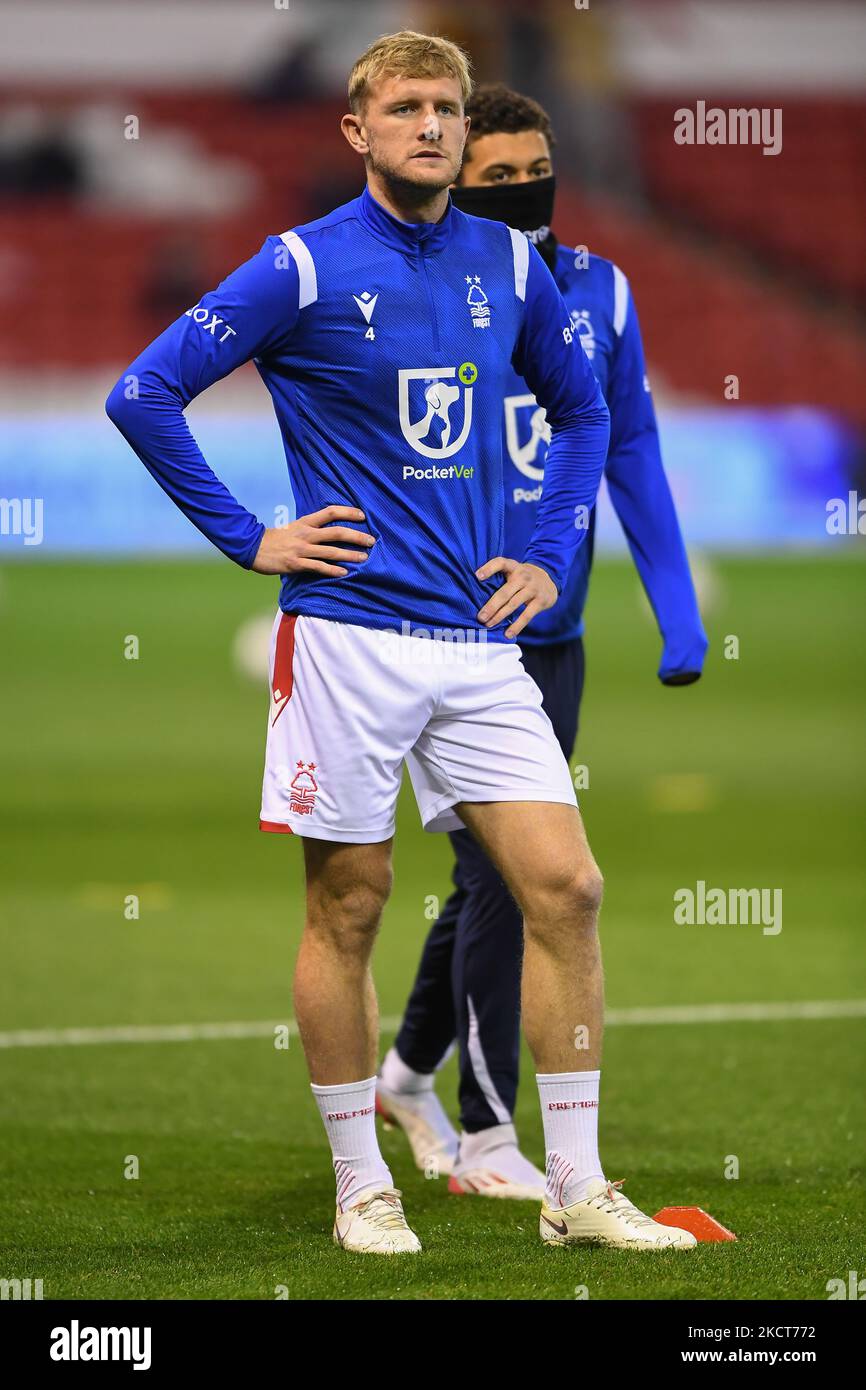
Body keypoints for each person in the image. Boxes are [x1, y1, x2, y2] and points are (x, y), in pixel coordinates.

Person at [106, 32, 695, 1255]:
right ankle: (359, 1183)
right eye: (407, 107)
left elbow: (582, 404)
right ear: (357, 131)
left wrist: (543, 545)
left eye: (446, 108)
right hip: (349, 642)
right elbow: (144, 392)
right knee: (350, 904)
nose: (430, 126)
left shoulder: (508, 261)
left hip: (481, 641)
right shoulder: (301, 266)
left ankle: (575, 1188)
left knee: (566, 888)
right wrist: (248, 538)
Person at [379, 84, 708, 1202]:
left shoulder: (600, 292)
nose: (522, 191)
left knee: (499, 879)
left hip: (552, 633)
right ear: (454, 176)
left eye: (535, 172)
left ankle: (407, 1073)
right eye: (496, 178)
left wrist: (677, 610)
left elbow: (632, 451)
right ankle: (485, 1133)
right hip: (453, 622)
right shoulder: (430, 290)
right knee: (503, 882)